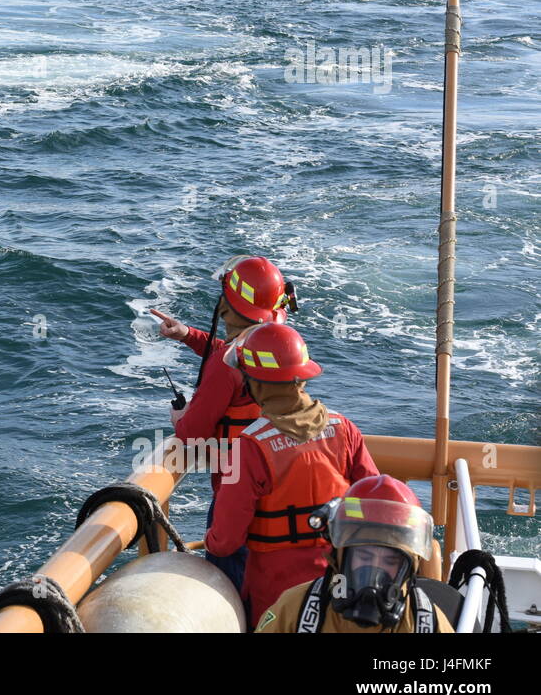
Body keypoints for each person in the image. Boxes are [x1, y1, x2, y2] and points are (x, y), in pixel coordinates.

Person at [204, 322, 379, 625]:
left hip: (275, 592)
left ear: (254, 383)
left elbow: (226, 541)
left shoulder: (248, 447)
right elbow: (375, 499)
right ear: (300, 377)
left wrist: (207, 542)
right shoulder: (344, 428)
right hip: (337, 581)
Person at [150, 255, 295, 591]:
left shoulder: (224, 365)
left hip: (237, 492)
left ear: (228, 306)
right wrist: (188, 335)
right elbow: (238, 358)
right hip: (279, 484)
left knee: (231, 588)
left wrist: (179, 419)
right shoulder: (279, 345)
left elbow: (193, 431)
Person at [257, 475, 454, 633]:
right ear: (340, 558)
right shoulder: (294, 609)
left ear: (408, 568)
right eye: (365, 557)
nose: (375, 571)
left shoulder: (427, 625)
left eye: (390, 561)